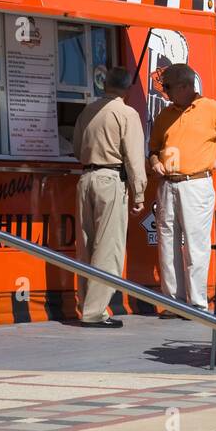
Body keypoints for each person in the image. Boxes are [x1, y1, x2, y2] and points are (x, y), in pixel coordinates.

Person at [149, 63, 216, 313]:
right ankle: (172, 302)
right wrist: (154, 162)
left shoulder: (210, 108)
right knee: (167, 244)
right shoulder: (166, 114)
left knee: (196, 244)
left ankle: (196, 303)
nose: (165, 91)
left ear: (185, 86)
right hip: (167, 184)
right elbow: (153, 148)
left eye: (168, 86)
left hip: (195, 183)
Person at [72, 66, 146, 327]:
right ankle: (94, 312)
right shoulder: (127, 113)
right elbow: (134, 158)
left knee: (86, 246)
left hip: (85, 178)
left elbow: (76, 147)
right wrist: (139, 193)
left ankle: (85, 304)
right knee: (108, 248)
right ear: (128, 89)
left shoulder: (88, 111)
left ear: (105, 85)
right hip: (110, 178)